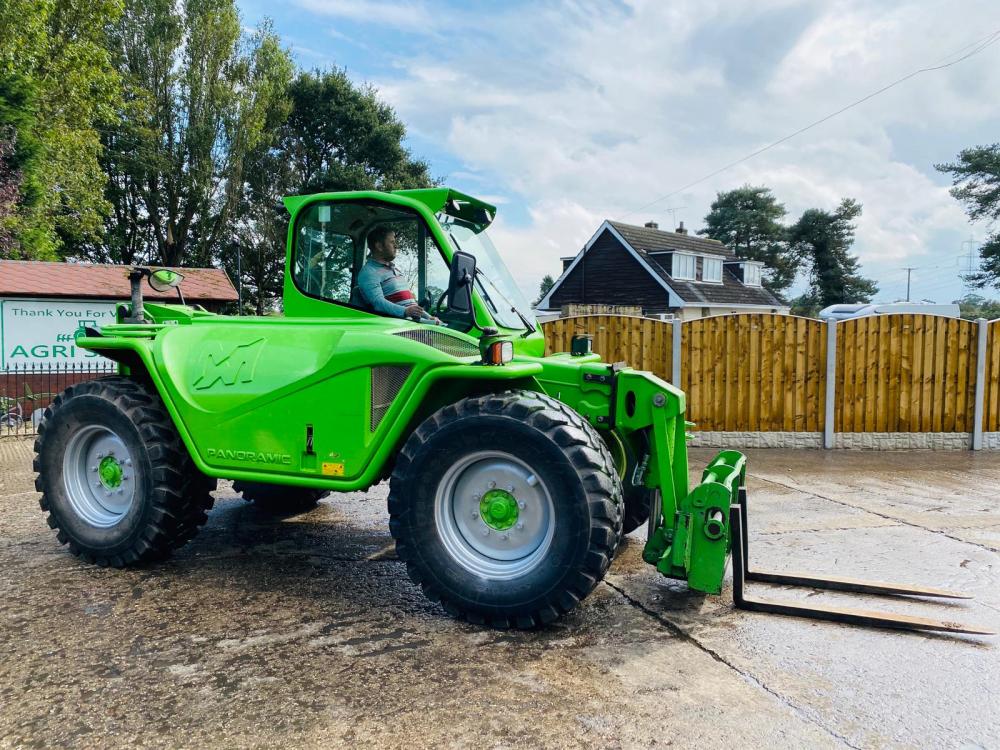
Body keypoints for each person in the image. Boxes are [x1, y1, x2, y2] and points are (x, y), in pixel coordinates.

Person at [353, 226, 438, 322]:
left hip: (411, 320)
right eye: (392, 242)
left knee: (442, 325)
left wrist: (428, 317)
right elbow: (378, 303)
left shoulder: (396, 270)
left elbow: (410, 304)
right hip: (397, 324)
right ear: (379, 246)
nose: (396, 246)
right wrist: (405, 311)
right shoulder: (369, 272)